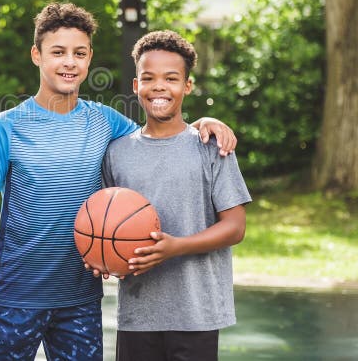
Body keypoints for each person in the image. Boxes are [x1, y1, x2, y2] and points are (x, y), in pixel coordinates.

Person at [0, 3, 238, 361]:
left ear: (90, 59)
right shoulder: (6, 127)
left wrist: (202, 123)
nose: (69, 62)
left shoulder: (106, 122)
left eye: (79, 53)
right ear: (36, 55)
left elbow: (158, 134)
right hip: (16, 295)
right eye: (58, 52)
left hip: (80, 300)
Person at [99, 29, 252, 361]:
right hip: (137, 315)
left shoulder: (212, 146)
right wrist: (100, 256)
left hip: (196, 314)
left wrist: (176, 247)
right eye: (148, 78)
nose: (159, 86)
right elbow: (103, 224)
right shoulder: (117, 153)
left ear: (187, 86)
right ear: (136, 86)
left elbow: (236, 227)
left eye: (171, 78)